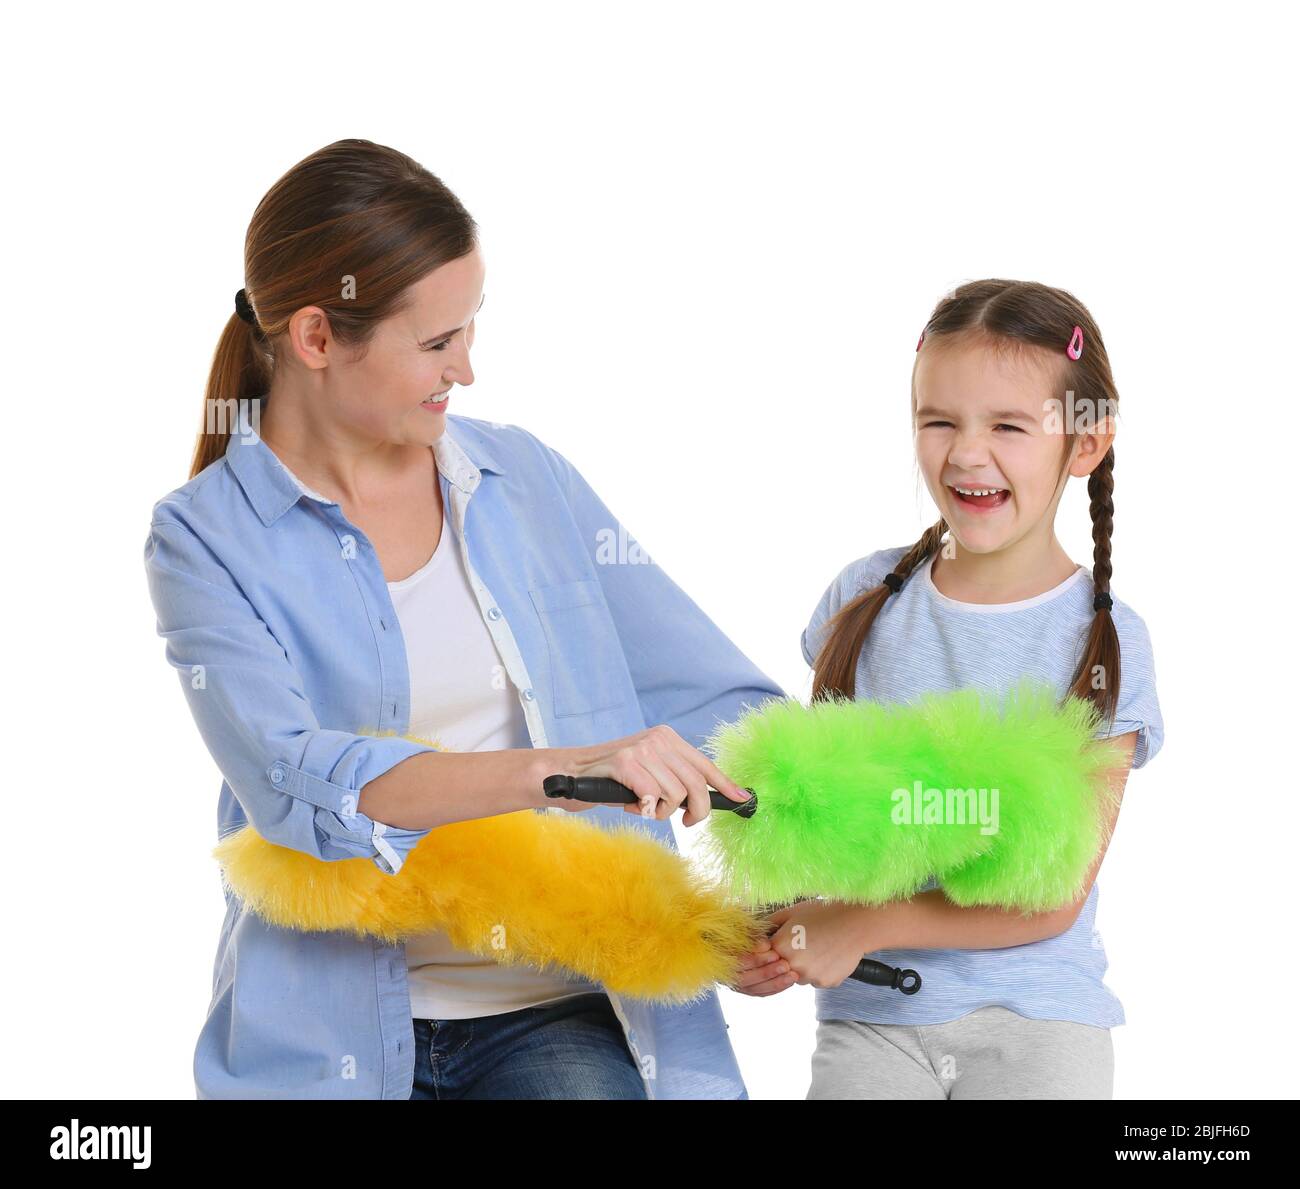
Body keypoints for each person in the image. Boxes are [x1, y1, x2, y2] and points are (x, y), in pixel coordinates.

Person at [143, 138, 784, 1100]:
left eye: (470, 331)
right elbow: (296, 783)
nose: (468, 370)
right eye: (438, 344)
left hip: (555, 1013)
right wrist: (560, 776)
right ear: (317, 338)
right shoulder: (203, 538)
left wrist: (786, 878)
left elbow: (716, 697)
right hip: (326, 1040)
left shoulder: (522, 480)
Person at [731, 279, 1164, 1099]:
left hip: (1037, 1021)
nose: (966, 453)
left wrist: (860, 923)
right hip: (872, 1019)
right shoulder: (866, 597)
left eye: (1008, 425)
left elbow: (1053, 897)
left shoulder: (1105, 642)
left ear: (1085, 444)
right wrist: (771, 925)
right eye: (939, 420)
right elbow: (813, 803)